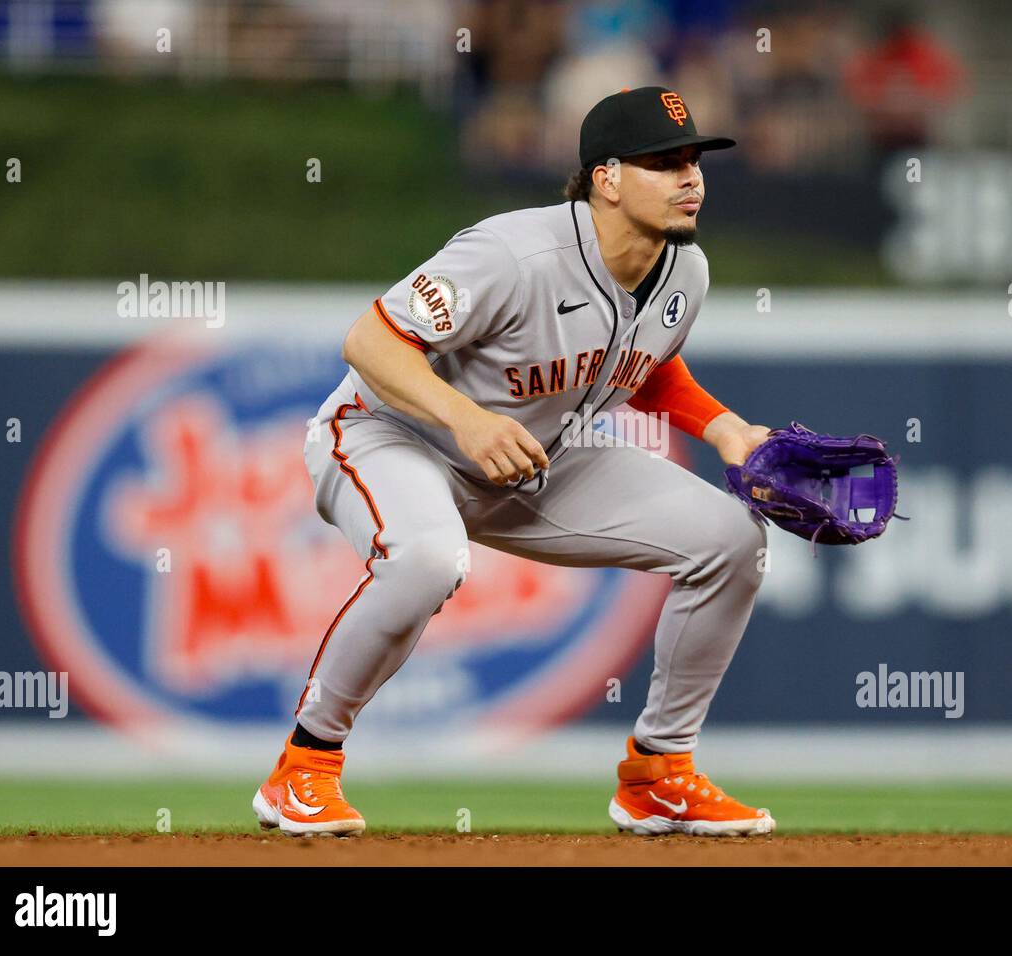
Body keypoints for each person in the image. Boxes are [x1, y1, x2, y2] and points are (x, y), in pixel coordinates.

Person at [253, 86, 778, 837]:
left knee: (731, 541)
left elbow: (649, 365)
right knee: (427, 559)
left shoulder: (684, 271)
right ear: (607, 178)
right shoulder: (512, 253)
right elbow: (368, 343)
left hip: (536, 459)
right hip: (389, 436)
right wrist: (466, 420)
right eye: (664, 162)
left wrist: (724, 428)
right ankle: (303, 768)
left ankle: (660, 774)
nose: (690, 177)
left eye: (695, 160)